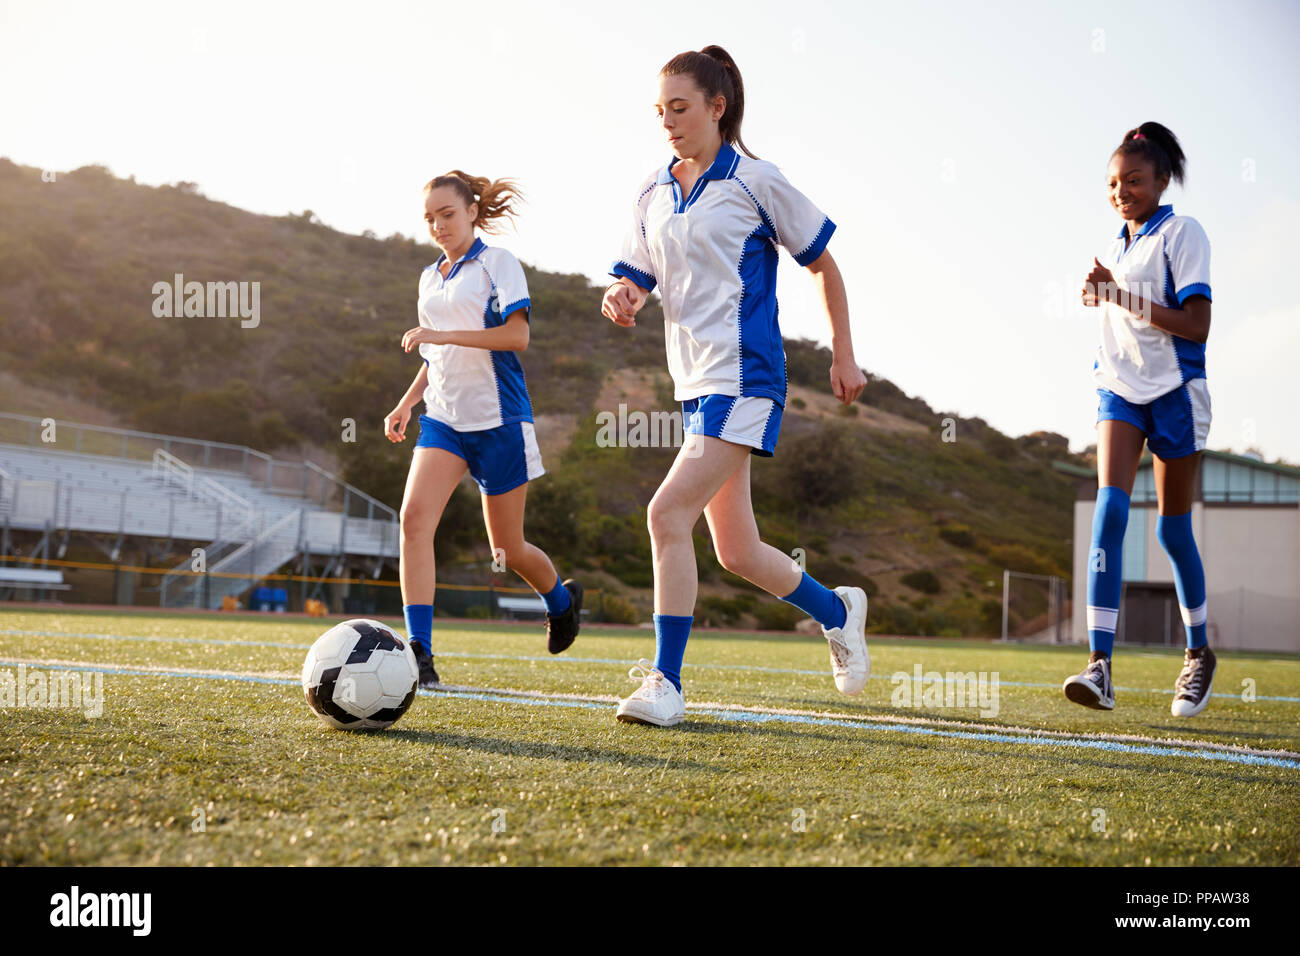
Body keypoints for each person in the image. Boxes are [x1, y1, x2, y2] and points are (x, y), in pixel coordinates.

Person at [602, 46, 870, 727]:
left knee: (666, 516)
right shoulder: (651, 192)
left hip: (747, 378)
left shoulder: (757, 181)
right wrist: (624, 297)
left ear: (717, 107)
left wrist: (844, 354)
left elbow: (824, 266)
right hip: (693, 386)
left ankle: (666, 682)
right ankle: (837, 611)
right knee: (737, 551)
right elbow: (638, 276)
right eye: (660, 110)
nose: (667, 121)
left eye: (680, 107)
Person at [385, 171, 581, 688]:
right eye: (429, 218)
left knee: (507, 551)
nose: (438, 225)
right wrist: (407, 403)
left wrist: (442, 333)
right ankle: (420, 654)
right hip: (444, 421)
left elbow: (517, 336)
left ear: (472, 210)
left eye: (446, 214)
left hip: (499, 422)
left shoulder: (499, 264)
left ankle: (561, 600)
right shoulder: (429, 278)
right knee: (413, 522)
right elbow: (435, 356)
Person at [1063, 122, 1216, 717]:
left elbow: (1196, 325)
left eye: (1132, 180)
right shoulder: (1118, 243)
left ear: (1160, 181)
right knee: (1111, 509)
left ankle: (1199, 652)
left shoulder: (1183, 232)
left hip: (1177, 390)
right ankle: (1099, 665)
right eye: (1112, 183)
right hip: (1120, 389)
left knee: (1171, 531)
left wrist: (1117, 295)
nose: (1121, 190)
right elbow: (1122, 314)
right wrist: (1098, 294)